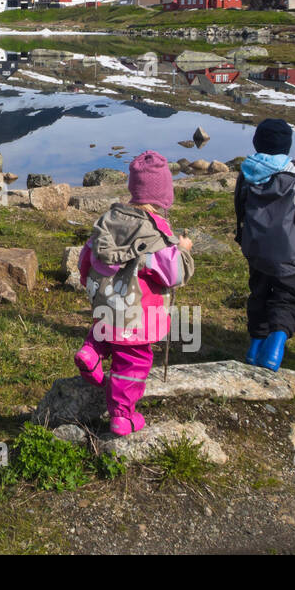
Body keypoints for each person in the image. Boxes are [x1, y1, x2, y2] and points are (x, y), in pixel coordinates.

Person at [75, 150, 194, 435]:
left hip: (106, 303)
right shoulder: (157, 235)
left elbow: (85, 258)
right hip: (138, 315)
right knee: (134, 360)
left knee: (107, 329)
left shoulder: (109, 221)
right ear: (164, 197)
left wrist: (87, 283)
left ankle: (91, 352)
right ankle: (121, 415)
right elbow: (174, 275)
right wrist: (184, 252)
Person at [234, 118, 295, 371]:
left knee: (259, 296)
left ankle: (253, 350)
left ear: (257, 142)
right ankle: (273, 351)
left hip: (256, 251)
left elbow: (240, 211)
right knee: (286, 299)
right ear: (287, 146)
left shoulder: (247, 175)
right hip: (289, 255)